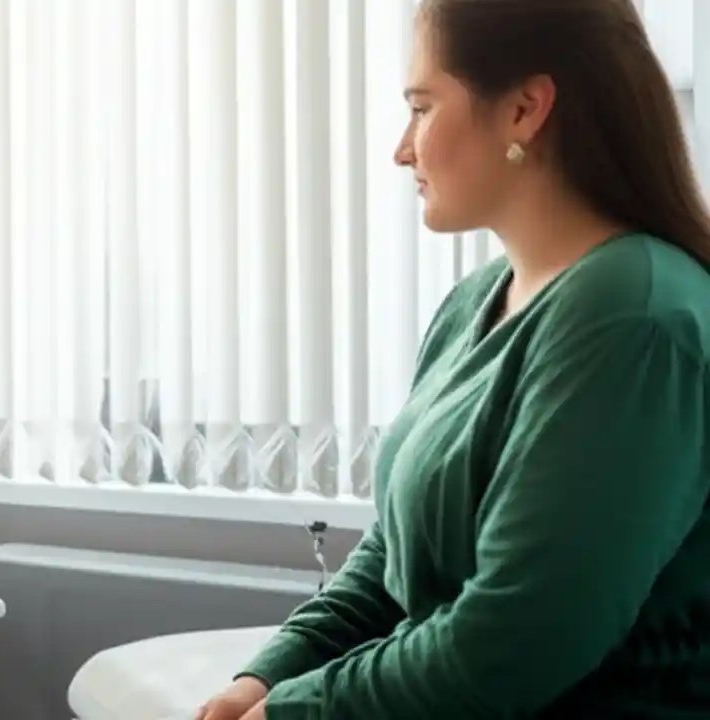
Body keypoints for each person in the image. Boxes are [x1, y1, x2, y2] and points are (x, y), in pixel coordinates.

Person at [198, 0, 710, 718]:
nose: (403, 148)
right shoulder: (476, 301)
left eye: (422, 107)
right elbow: (397, 554)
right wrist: (266, 678)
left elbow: (518, 640)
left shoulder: (634, 317)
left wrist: (298, 712)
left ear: (525, 109)